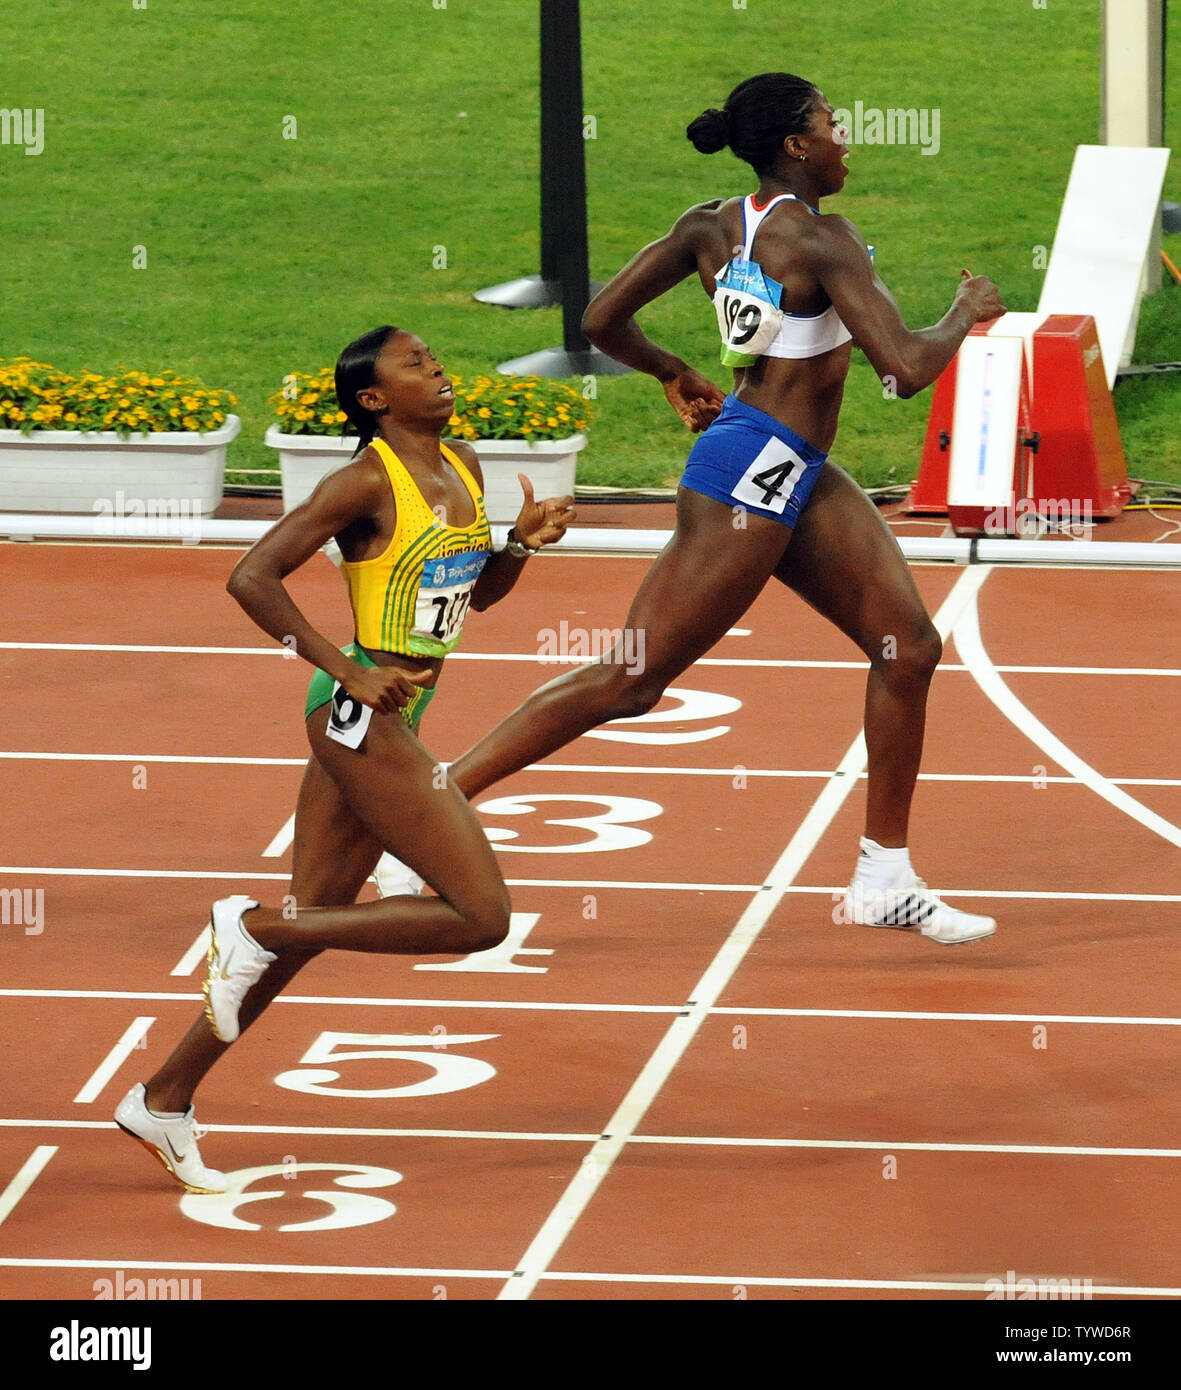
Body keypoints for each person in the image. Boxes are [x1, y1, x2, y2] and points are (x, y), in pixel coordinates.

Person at [378, 72, 1006, 946]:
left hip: (789, 464)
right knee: (630, 679)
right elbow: (901, 369)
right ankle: (423, 814)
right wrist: (964, 313)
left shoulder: (710, 225)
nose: (843, 139)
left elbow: (600, 320)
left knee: (908, 647)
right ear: (795, 145)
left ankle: (883, 876)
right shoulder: (825, 242)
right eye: (830, 125)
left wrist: (671, 367)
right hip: (750, 473)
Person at [115, 325, 575, 1193]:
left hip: (396, 710)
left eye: (436, 359)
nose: (437, 371)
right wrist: (348, 669)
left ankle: (164, 1098)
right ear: (373, 399)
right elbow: (252, 575)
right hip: (357, 721)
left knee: (320, 918)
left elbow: (469, 597)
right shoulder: (363, 482)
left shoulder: (466, 464)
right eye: (415, 366)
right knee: (480, 917)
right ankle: (254, 924)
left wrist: (518, 544)